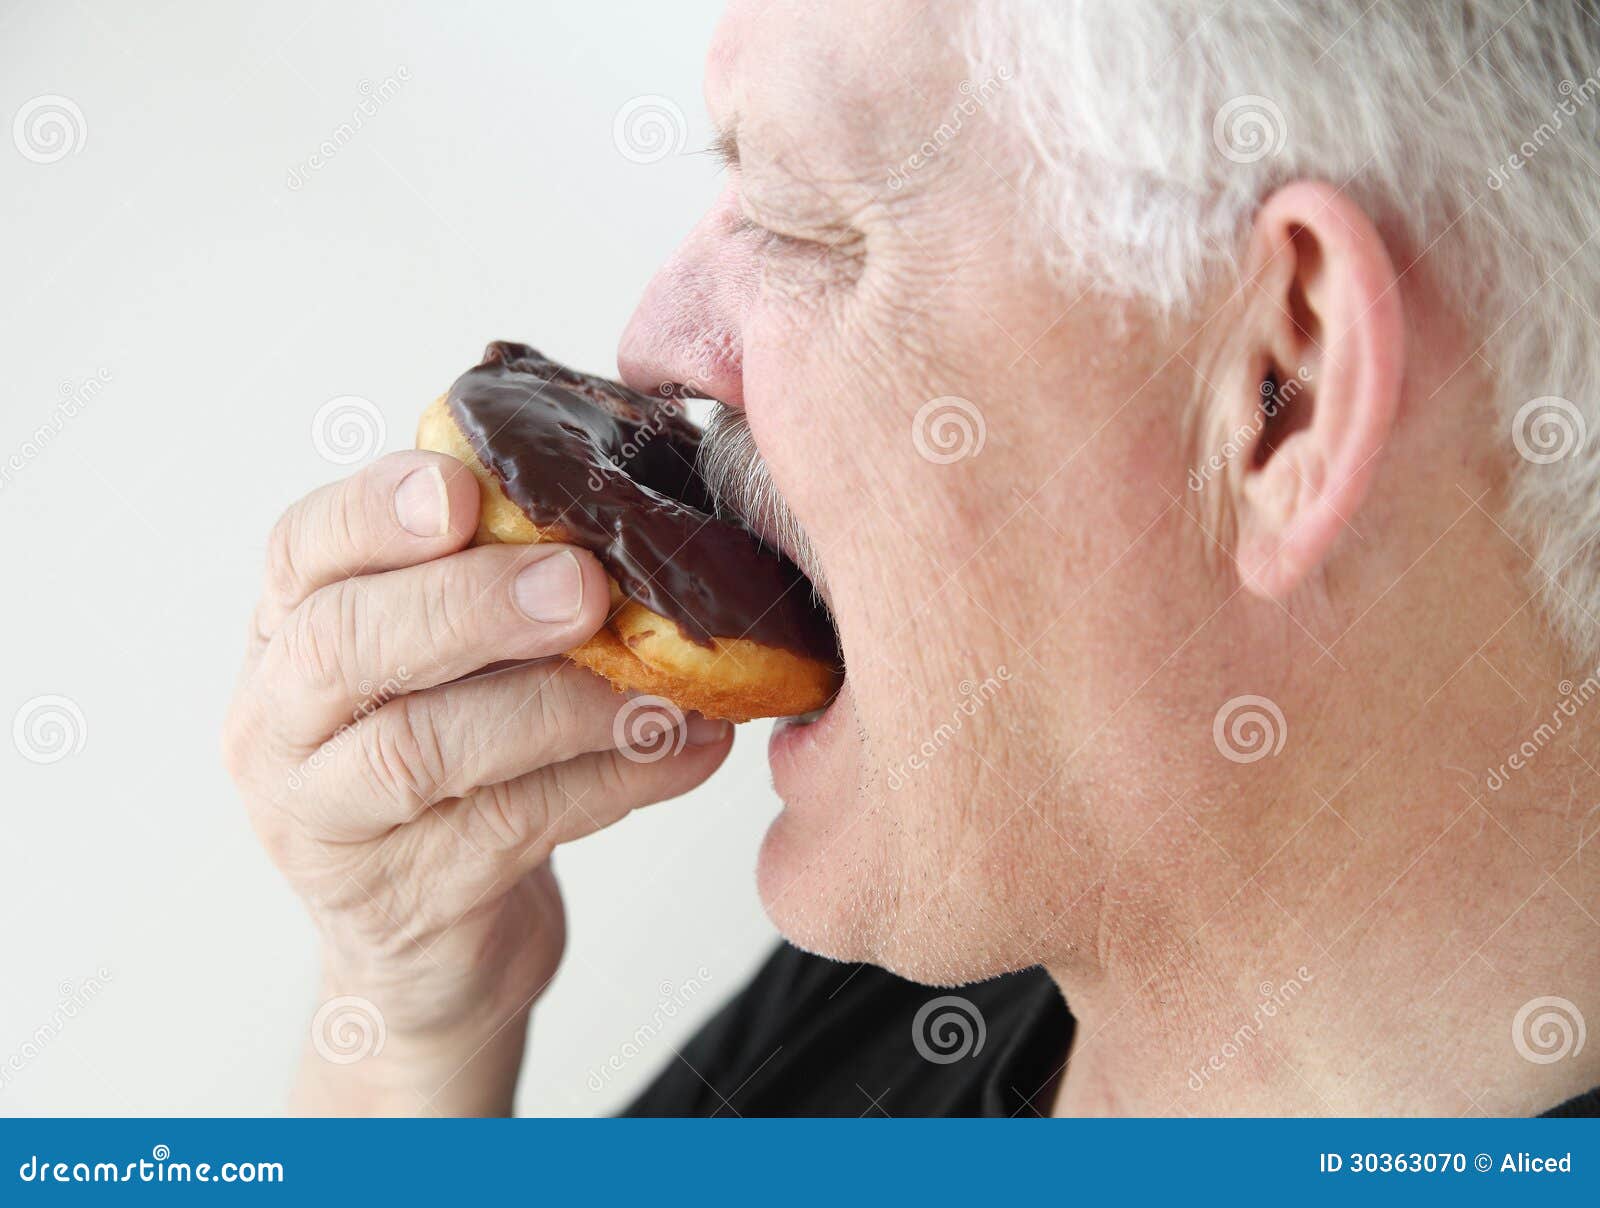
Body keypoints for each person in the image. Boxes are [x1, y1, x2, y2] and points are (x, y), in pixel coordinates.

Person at [223, 0, 1600, 1115]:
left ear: (1277, 392)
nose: (655, 344)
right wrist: (411, 1020)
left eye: (799, 219)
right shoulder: (904, 1000)